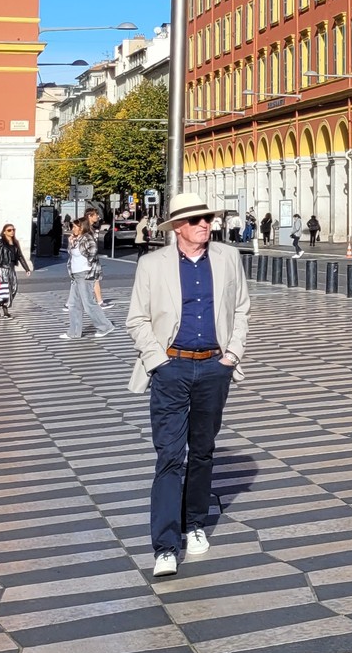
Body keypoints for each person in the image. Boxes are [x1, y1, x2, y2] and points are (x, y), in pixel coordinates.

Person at [126, 192, 250, 579]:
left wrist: (231, 355)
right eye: (197, 220)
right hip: (171, 369)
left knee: (203, 451)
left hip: (214, 367)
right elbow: (137, 319)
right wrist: (157, 361)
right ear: (179, 226)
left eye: (208, 219)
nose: (205, 225)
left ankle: (195, 522)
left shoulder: (228, 258)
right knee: (169, 456)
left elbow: (242, 307)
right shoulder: (152, 265)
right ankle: (165, 545)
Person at [61, 217, 114, 341]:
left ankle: (105, 326)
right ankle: (74, 332)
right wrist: (71, 243)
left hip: (84, 274)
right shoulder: (76, 239)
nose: (72, 229)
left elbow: (93, 251)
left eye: (74, 226)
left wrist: (88, 266)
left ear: (81, 227)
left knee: (88, 303)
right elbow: (72, 255)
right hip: (76, 275)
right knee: (74, 304)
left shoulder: (87, 238)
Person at [0, 222, 30, 317]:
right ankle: (2, 308)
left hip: (11, 269)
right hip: (2, 268)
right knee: (4, 290)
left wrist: (26, 268)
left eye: (13, 230)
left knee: (14, 288)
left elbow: (20, 256)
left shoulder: (15, 243)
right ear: (4, 232)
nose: (12, 232)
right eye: (9, 230)